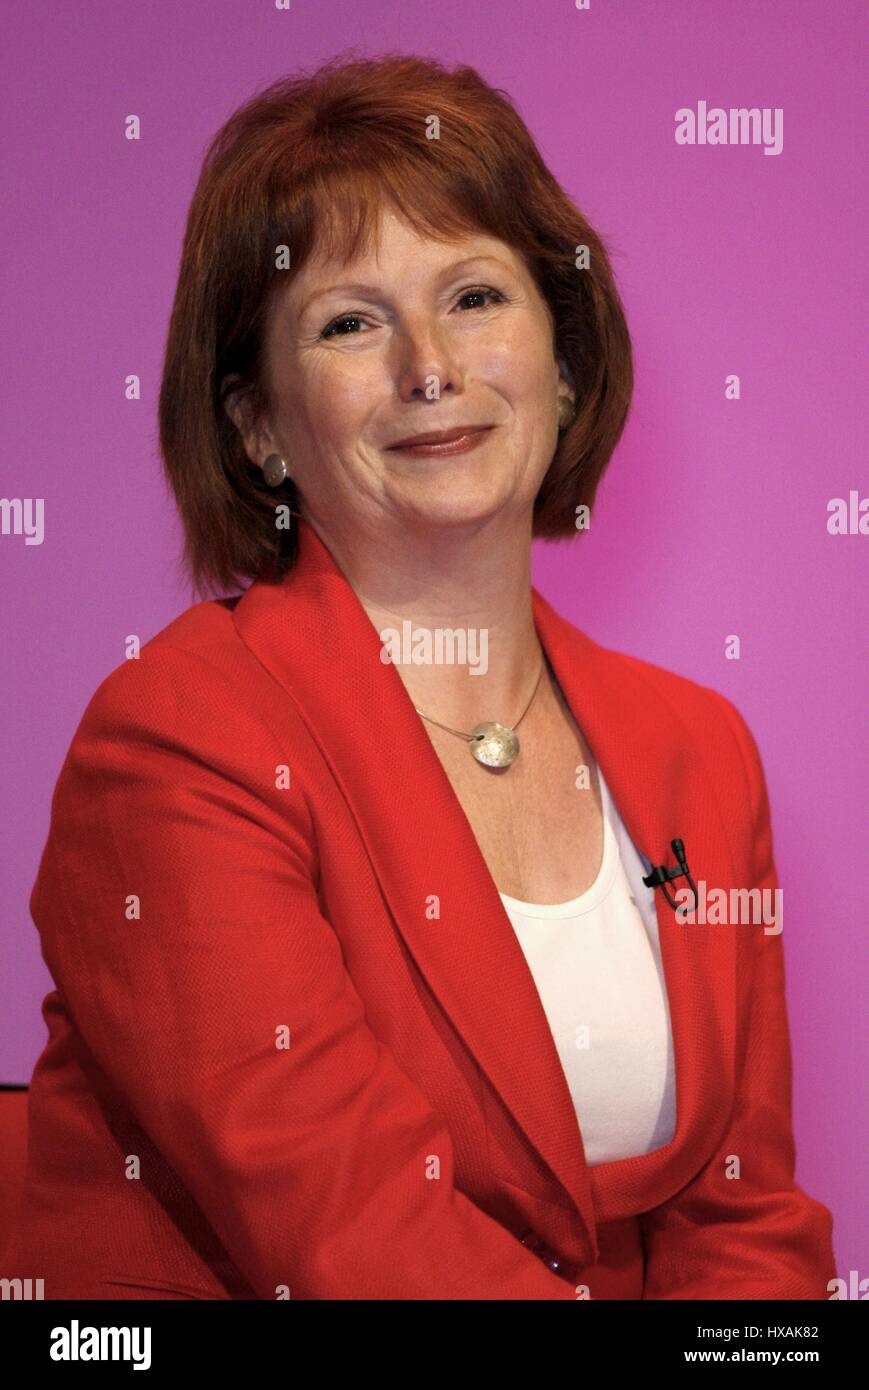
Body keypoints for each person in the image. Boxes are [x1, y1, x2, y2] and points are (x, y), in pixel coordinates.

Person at [3, 52, 836, 1300]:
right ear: (259, 426)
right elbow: (357, 1236)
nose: (429, 366)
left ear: (561, 360)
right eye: (349, 322)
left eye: (475, 297)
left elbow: (743, 1217)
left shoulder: (696, 749)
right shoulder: (178, 737)